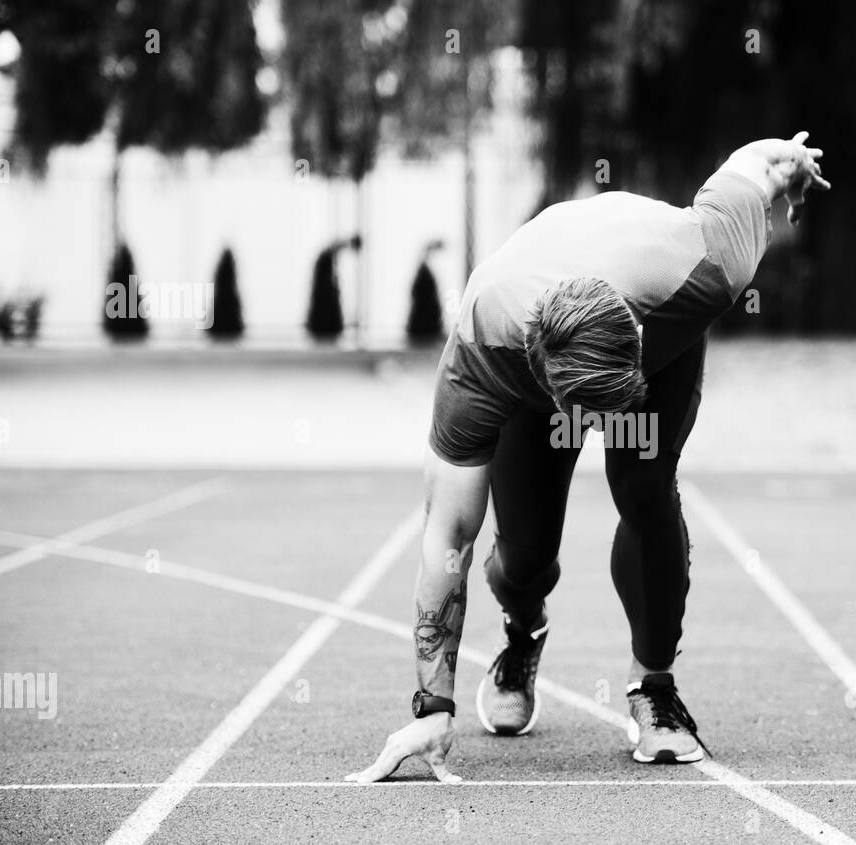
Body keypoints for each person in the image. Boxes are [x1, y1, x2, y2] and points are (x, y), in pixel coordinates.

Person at [348, 133, 829, 783]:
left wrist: (795, 162)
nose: (597, 428)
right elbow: (449, 535)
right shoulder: (481, 353)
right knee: (524, 550)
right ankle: (523, 631)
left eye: (605, 411)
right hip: (532, 363)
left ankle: (653, 683)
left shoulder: (707, 263)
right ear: (545, 378)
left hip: (657, 353)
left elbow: (758, 161)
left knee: (645, 488)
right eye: (586, 413)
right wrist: (432, 704)